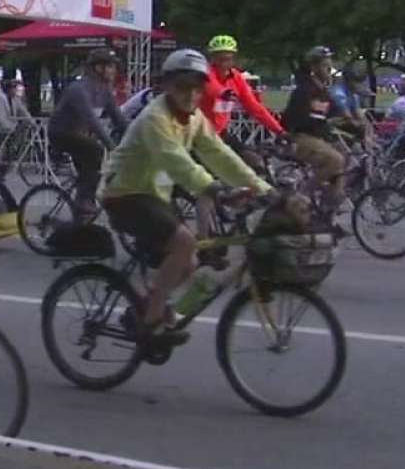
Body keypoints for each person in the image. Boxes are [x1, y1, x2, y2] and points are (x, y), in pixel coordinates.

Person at [101, 50, 275, 344]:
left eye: (198, 87)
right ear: (166, 85)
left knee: (190, 262)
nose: (191, 94)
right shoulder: (155, 118)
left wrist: (262, 188)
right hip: (125, 193)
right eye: (183, 86)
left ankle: (147, 307)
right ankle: (152, 320)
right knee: (183, 241)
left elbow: (219, 154)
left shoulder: (194, 118)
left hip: (154, 194)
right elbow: (177, 161)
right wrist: (215, 189)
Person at [46, 48, 129, 212]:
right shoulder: (79, 89)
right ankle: (84, 200)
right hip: (60, 133)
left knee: (89, 169)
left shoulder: (105, 90)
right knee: (94, 150)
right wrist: (111, 146)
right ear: (98, 68)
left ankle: (81, 213)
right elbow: (92, 121)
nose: (114, 71)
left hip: (78, 134)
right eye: (110, 66)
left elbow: (119, 119)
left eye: (114, 67)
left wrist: (137, 136)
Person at [281, 46, 349, 206]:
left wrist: (359, 129)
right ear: (314, 67)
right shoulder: (304, 91)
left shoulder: (324, 92)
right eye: (326, 66)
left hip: (318, 137)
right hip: (300, 137)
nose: (329, 71)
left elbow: (337, 115)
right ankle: (302, 195)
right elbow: (291, 120)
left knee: (345, 152)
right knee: (335, 160)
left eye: (330, 67)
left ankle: (330, 202)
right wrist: (323, 123)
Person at [199, 35, 284, 149]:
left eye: (227, 59)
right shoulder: (206, 73)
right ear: (212, 59)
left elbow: (255, 107)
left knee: (251, 157)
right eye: (220, 59)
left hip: (220, 133)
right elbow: (211, 87)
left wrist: (280, 131)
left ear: (233, 59)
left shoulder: (237, 78)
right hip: (199, 132)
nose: (223, 64)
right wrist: (224, 93)